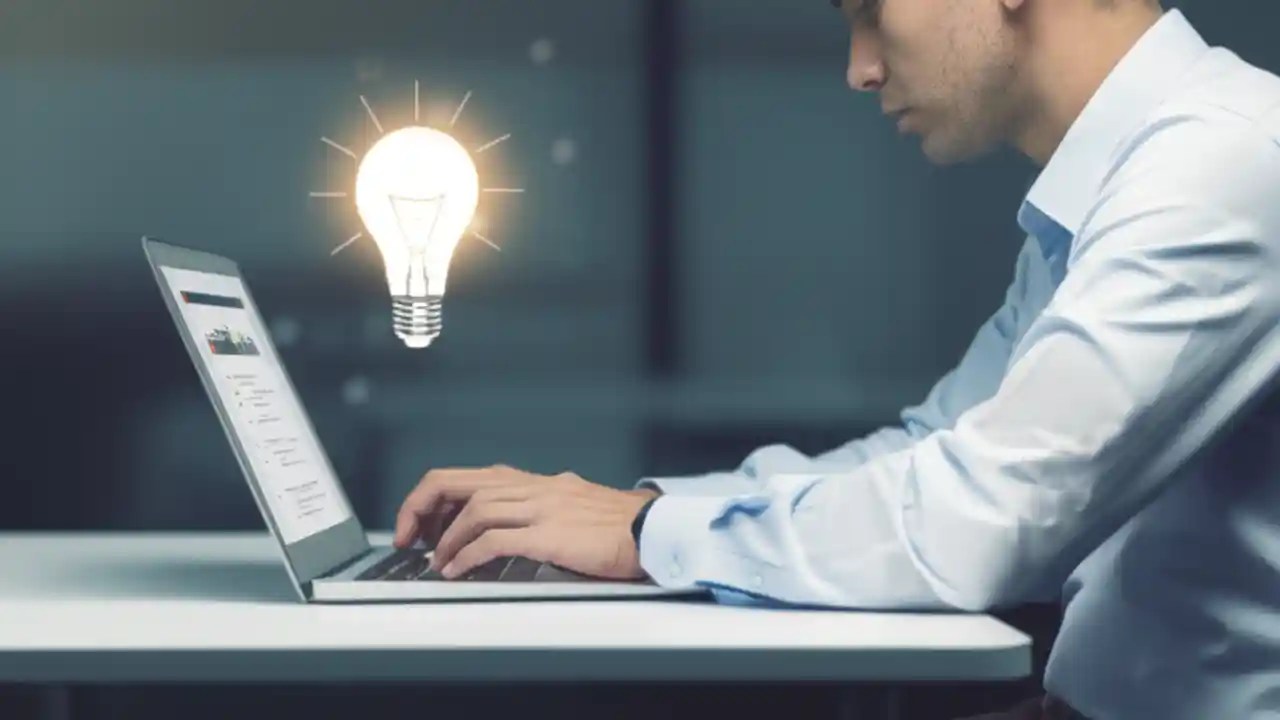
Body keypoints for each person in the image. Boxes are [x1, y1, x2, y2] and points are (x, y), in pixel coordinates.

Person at [393, 1, 1280, 717]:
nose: (859, 67)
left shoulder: (1222, 167)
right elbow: (930, 449)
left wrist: (640, 538)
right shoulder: (1124, 187)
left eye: (869, 11)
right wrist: (633, 511)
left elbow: (981, 520)